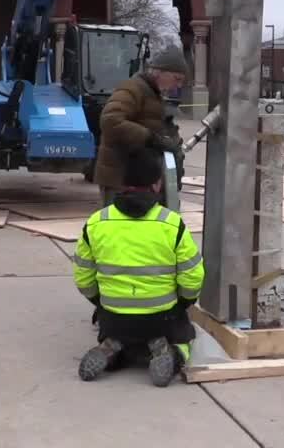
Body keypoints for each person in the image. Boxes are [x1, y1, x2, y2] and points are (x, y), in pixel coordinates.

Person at [73, 146, 205, 387]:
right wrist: (183, 304)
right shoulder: (172, 224)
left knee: (118, 330)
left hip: (113, 315)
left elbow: (83, 277)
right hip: (161, 316)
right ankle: (172, 353)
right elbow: (193, 276)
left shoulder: (97, 222)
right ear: (157, 184)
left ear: (122, 183)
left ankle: (113, 349)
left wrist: (100, 302)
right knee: (186, 335)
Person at [94, 44, 189, 206]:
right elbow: (111, 120)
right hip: (120, 177)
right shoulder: (133, 88)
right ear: (160, 72)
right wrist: (150, 138)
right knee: (118, 227)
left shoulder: (152, 93)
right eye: (177, 79)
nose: (178, 86)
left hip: (135, 177)